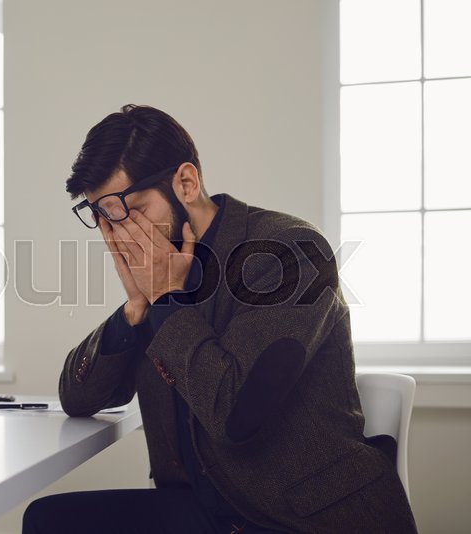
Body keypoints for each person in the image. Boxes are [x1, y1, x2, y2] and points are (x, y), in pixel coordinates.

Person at [22, 105, 418, 534]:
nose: (118, 233)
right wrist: (134, 311)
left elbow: (236, 415)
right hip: (205, 510)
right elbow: (76, 398)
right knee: (48, 521)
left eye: (128, 210)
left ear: (186, 183)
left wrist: (166, 298)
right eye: (102, 216)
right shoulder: (163, 276)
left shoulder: (289, 251)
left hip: (302, 517)